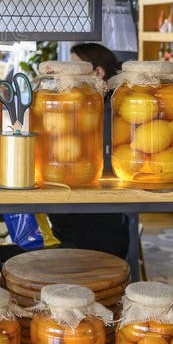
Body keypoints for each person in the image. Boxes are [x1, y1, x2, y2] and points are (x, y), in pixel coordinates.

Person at [47, 42, 129, 260]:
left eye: (76, 69)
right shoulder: (77, 107)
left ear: (97, 72)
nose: (70, 76)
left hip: (98, 219)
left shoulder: (109, 112)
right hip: (71, 212)